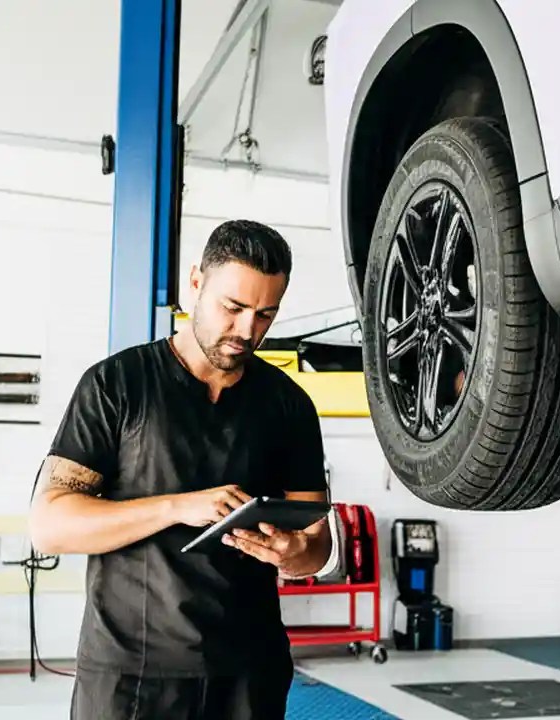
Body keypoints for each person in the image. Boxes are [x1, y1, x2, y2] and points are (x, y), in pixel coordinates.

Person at [28, 219, 332, 720]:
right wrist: (176, 506)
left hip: (248, 676)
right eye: (232, 308)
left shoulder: (289, 406)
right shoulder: (116, 386)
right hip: (132, 676)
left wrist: (294, 553)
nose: (246, 330)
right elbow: (49, 525)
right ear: (196, 282)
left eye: (265, 314)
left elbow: (315, 546)